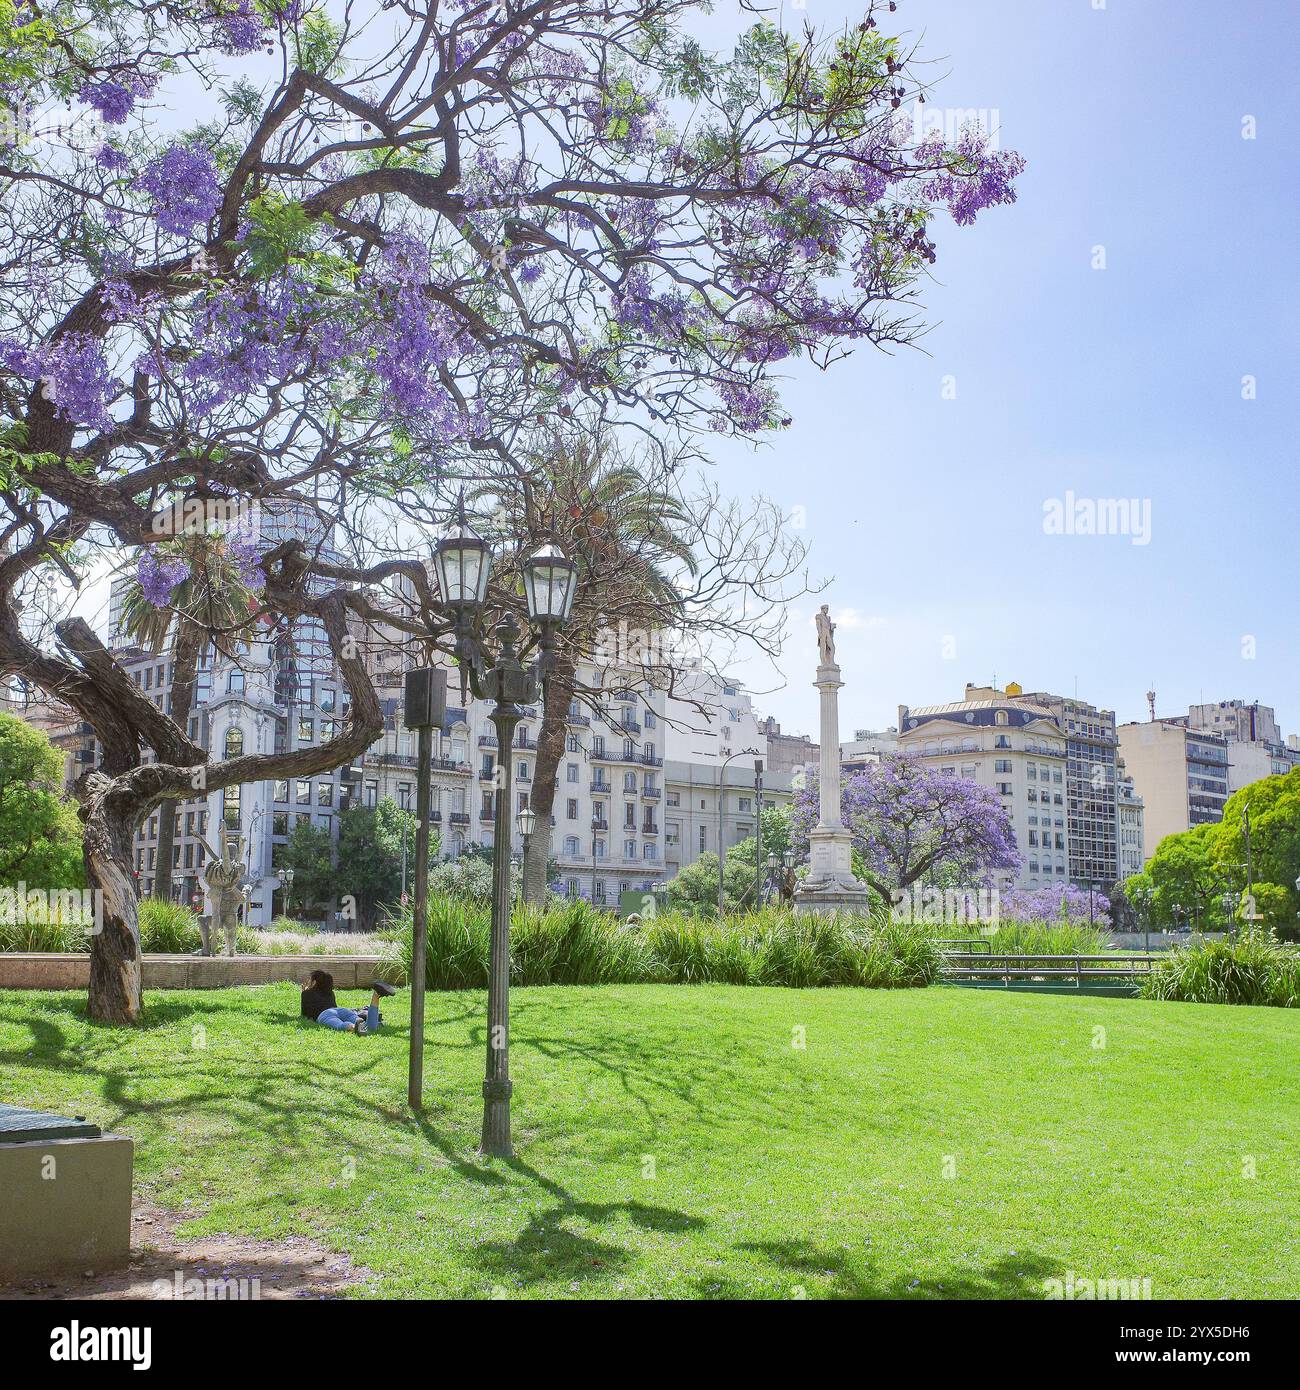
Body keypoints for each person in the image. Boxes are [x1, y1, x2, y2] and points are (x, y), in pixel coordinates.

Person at [300, 970, 398, 1034]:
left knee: (339, 1025)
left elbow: (305, 1015)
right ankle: (376, 995)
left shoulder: (306, 994)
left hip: (325, 1015)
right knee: (370, 1027)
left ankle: (353, 1027)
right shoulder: (330, 993)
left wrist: (304, 992)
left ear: (315, 982)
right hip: (341, 1010)